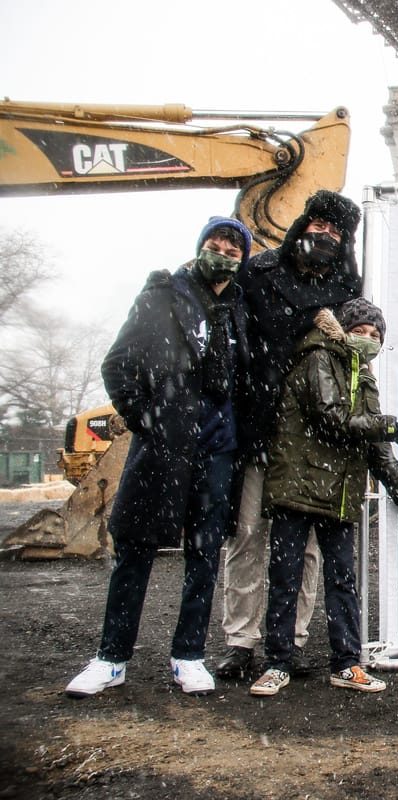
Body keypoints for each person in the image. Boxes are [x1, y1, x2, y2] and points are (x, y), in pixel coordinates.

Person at [65, 216, 252, 697]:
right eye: (216, 247)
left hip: (218, 449)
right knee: (135, 550)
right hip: (164, 446)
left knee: (205, 554)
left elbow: (243, 379)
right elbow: (117, 364)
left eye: (234, 253)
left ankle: (188, 656)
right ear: (200, 248)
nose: (224, 256)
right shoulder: (163, 296)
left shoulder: (236, 308)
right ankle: (111, 658)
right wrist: (146, 420)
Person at [216, 190, 372, 680]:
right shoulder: (257, 274)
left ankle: (292, 639)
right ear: (303, 222)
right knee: (246, 537)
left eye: (336, 232)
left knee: (300, 548)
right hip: (259, 429)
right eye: (319, 224)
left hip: (311, 438)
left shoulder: (345, 290)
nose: (324, 235)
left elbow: (355, 357)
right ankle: (241, 641)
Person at [248, 299, 398, 696]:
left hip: (341, 492)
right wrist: (386, 425)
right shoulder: (318, 357)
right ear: (343, 330)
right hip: (298, 486)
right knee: (285, 579)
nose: (368, 339)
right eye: (360, 331)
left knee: (343, 582)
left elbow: (377, 448)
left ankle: (346, 663)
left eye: (376, 335)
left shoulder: (364, 377)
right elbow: (328, 416)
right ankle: (277, 663)